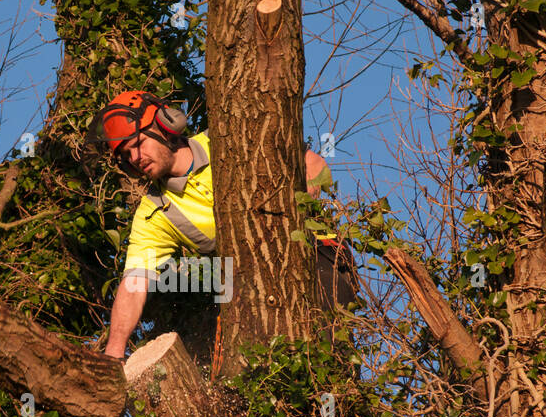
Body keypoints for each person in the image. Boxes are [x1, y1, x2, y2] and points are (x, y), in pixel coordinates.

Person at [92, 90, 359, 360]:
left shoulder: (226, 138)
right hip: (252, 285)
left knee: (327, 347)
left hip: (316, 254)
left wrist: (288, 217)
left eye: (137, 143)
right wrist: (114, 353)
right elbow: (134, 283)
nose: (135, 157)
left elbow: (315, 165)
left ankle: (336, 392)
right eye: (127, 155)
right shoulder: (155, 211)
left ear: (164, 123)